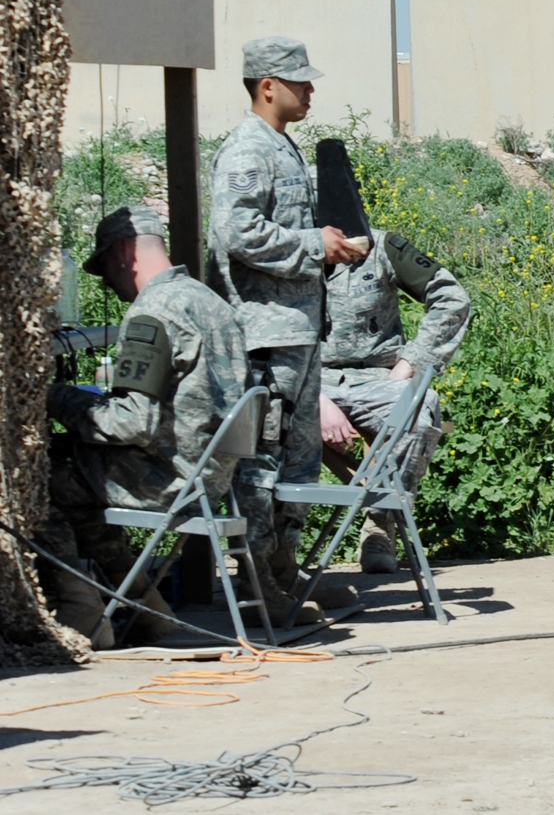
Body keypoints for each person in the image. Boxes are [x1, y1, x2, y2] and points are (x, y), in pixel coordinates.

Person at [41, 207, 251, 645]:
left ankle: (80, 613)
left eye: (104, 268)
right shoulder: (208, 300)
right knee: (81, 476)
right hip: (211, 475)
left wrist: (54, 396)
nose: (108, 284)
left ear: (123, 252)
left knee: (41, 474)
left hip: (168, 477)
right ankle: (145, 609)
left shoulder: (152, 311)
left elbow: (130, 424)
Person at [207, 37, 362, 617]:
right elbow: (236, 232)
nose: (311, 90)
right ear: (267, 86)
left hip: (296, 331)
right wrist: (312, 245)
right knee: (260, 460)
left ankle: (283, 569)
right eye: (300, 81)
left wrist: (329, 247)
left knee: (297, 459)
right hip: (264, 335)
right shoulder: (248, 149)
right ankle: (255, 583)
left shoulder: (281, 146)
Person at [317, 227, 471, 572]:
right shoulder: (284, 252)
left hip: (377, 378)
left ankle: (380, 522)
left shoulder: (382, 247)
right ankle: (277, 549)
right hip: (307, 379)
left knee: (419, 410)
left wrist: (410, 364)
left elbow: (452, 298)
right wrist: (313, 395)